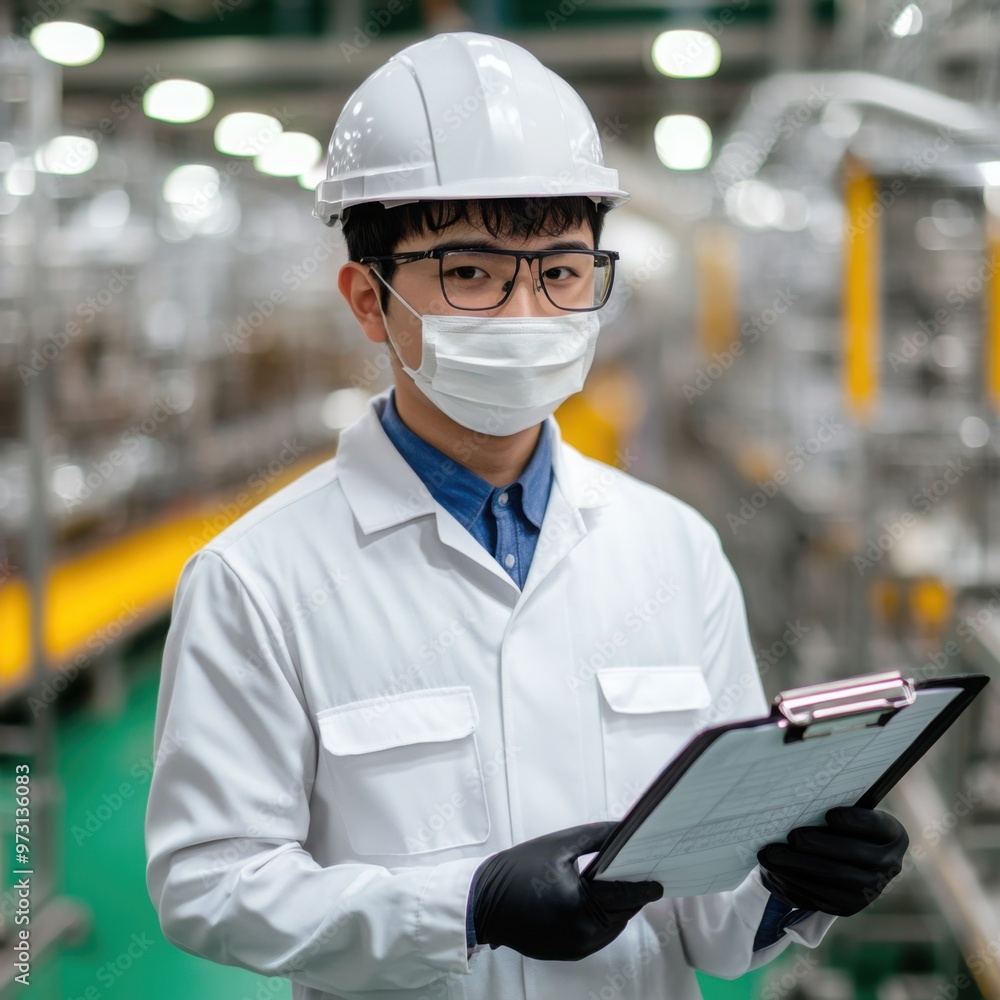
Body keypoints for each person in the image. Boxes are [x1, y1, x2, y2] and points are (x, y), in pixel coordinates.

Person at [145, 31, 908, 1000]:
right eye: (469, 272)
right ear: (367, 298)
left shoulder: (671, 545)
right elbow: (207, 885)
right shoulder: (257, 574)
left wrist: (790, 882)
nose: (524, 312)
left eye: (560, 270)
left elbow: (709, 924)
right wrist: (463, 908)